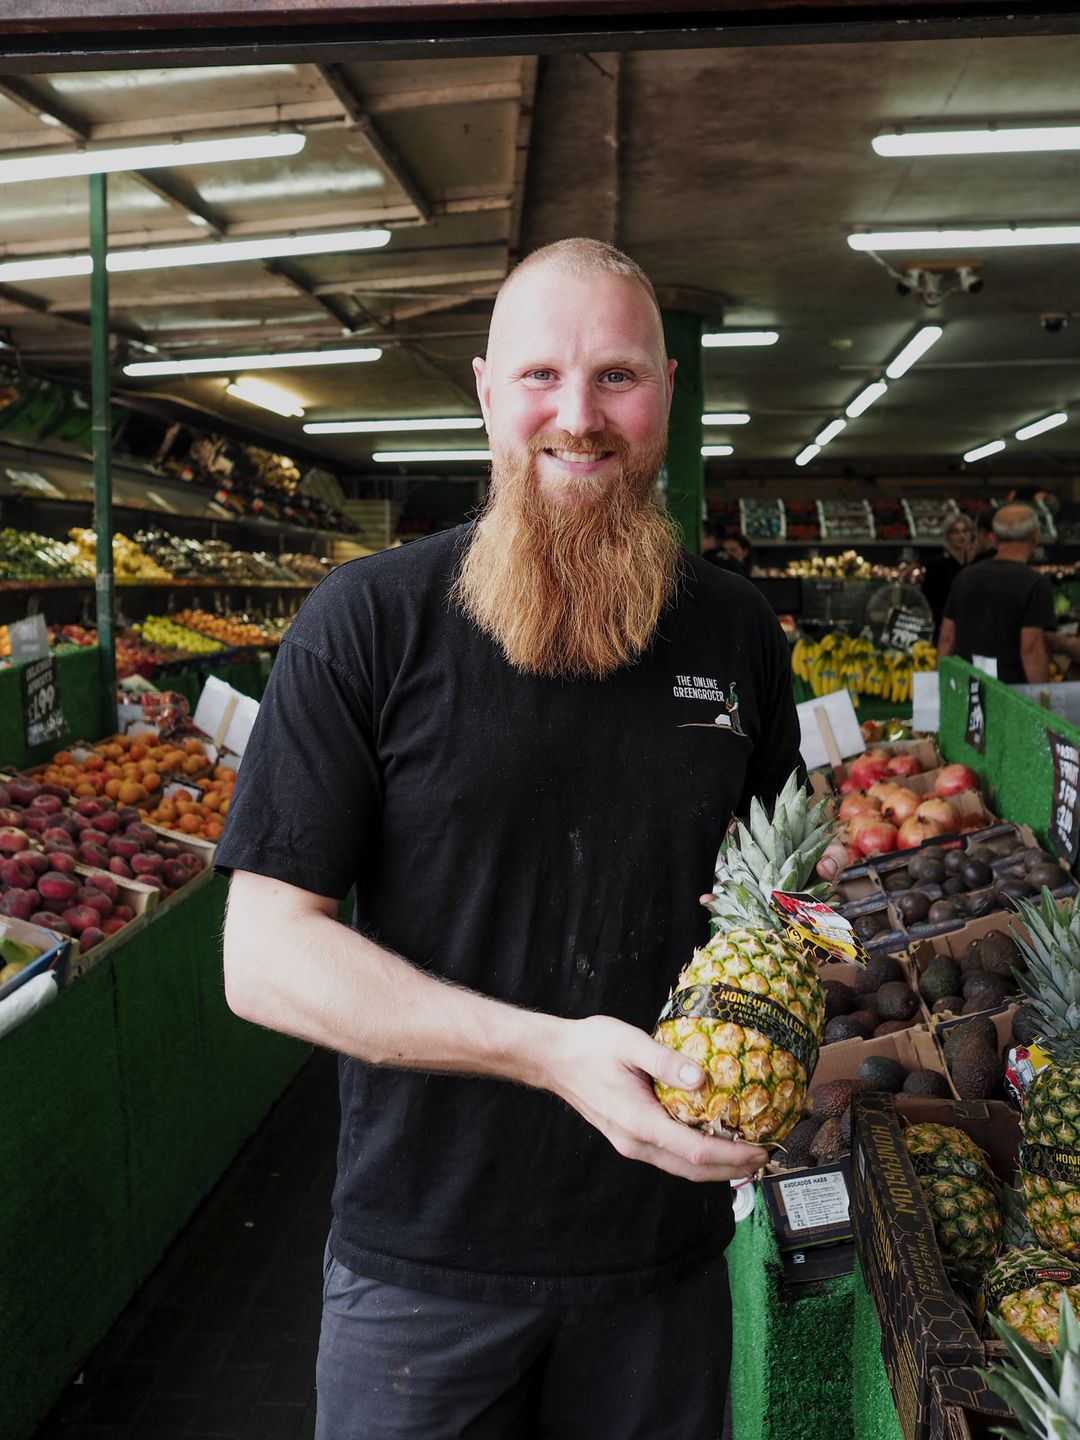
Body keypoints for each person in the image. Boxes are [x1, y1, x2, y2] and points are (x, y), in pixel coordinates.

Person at [217, 237, 845, 1440]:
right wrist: (547, 1053)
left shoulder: (736, 634)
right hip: (423, 1271)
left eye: (617, 376)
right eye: (542, 376)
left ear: (666, 389)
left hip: (661, 1262)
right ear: (486, 389)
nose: (580, 416)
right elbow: (263, 958)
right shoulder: (368, 623)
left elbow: (782, 910)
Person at [937, 502, 1054, 683]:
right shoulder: (1036, 584)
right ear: (1036, 536)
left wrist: (942, 685)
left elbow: (947, 638)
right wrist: (1044, 701)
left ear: (993, 538)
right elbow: (1031, 648)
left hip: (968, 687)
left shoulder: (965, 576)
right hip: (1012, 694)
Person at [920, 515, 973, 637]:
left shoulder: (972, 565)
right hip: (942, 625)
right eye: (956, 532)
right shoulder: (936, 565)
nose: (962, 536)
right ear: (948, 536)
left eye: (965, 531)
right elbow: (928, 600)